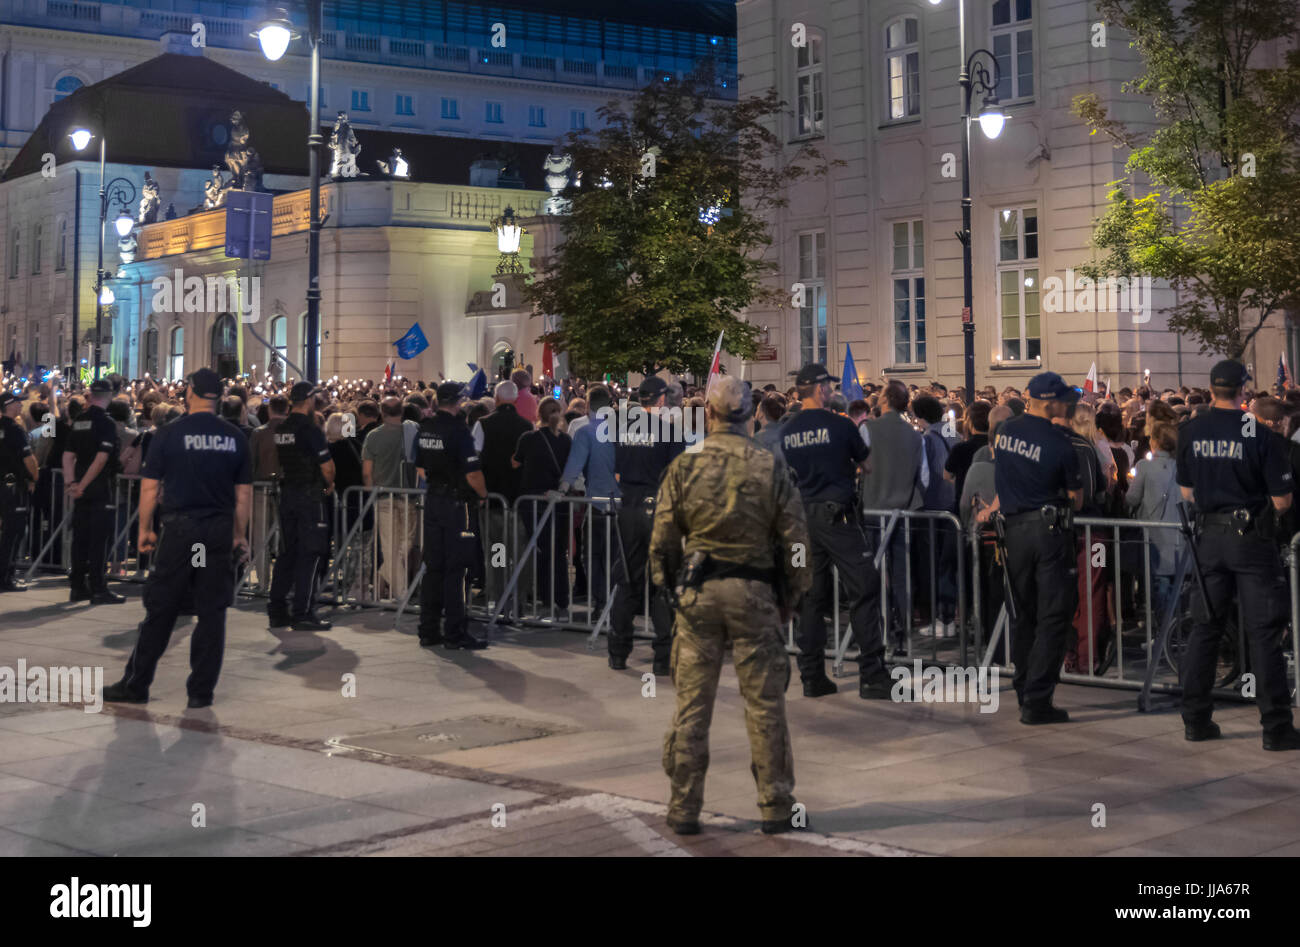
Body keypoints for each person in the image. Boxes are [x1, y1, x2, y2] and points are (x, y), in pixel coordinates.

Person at [651, 376, 811, 836]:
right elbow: (796, 541)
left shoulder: (685, 464)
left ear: (710, 414)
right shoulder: (769, 464)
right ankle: (776, 805)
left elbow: (662, 539)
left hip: (699, 594)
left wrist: (670, 590)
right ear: (749, 415)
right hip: (755, 594)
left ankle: (684, 807)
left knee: (692, 706)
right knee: (765, 705)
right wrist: (793, 595)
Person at [101, 369, 252, 709]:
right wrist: (239, 535)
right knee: (212, 612)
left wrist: (144, 530)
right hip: (214, 534)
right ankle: (201, 691)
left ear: (191, 393)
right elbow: (243, 494)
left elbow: (150, 487)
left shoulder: (170, 434)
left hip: (183, 532)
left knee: (162, 608)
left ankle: (137, 682)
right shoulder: (235, 438)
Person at [1175, 360, 1300, 750]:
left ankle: (1195, 719)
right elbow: (1282, 501)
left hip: (1209, 537)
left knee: (1205, 628)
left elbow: (1186, 493)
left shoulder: (1191, 429)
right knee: (1264, 633)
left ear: (1211, 389)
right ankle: (1276, 726)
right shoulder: (1257, 433)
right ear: (1244, 389)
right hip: (1250, 539)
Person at [781, 363, 891, 700]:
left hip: (802, 520)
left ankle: (812, 676)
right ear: (819, 390)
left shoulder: (787, 429)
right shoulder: (840, 426)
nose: (830, 390)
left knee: (809, 597)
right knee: (865, 587)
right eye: (827, 386)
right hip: (837, 518)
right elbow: (867, 465)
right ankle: (872, 674)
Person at [981, 371, 1082, 724]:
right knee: (1054, 614)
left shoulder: (1006, 430)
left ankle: (1025, 686)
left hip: (1014, 530)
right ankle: (1037, 699)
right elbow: (1077, 499)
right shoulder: (1060, 442)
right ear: (1051, 401)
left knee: (1023, 612)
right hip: (1048, 531)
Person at [608, 376, 684, 675]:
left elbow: (616, 473)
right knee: (662, 583)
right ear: (662, 400)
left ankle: (618, 651)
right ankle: (663, 656)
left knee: (627, 579)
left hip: (628, 506)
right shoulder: (670, 432)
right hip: (658, 508)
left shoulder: (622, 431)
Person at [415, 381, 488, 649]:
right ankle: (455, 632)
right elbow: (473, 473)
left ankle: (428, 629)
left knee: (434, 567)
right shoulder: (459, 431)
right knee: (457, 569)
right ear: (457, 402)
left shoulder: (426, 428)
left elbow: (420, 468)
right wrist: (482, 494)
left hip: (434, 499)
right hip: (458, 504)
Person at [268, 381, 335, 631]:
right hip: (309, 496)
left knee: (287, 553)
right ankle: (303, 611)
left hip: (288, 494)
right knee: (312, 553)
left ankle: (277, 610)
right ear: (308, 400)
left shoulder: (282, 427)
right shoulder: (310, 428)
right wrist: (329, 485)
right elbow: (327, 467)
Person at [63, 378, 125, 604]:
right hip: (98, 488)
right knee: (99, 541)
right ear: (109, 396)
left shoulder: (79, 420)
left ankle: (78, 586)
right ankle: (99, 588)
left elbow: (68, 455)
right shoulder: (106, 423)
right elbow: (101, 459)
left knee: (80, 539)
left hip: (80, 489)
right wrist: (84, 484)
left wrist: (72, 484)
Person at [512, 396, 572, 613]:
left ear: (539, 414)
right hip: (559, 500)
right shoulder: (566, 441)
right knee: (558, 550)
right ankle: (561, 596)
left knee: (538, 549)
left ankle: (544, 595)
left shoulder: (529, 438)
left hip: (533, 500)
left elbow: (516, 462)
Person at [0, 390, 37, 591]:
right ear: (9, 405)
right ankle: (6, 577)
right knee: (13, 533)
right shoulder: (16, 430)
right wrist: (34, 477)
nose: (21, 406)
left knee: (6, 533)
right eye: (18, 403)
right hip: (14, 487)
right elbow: (28, 459)